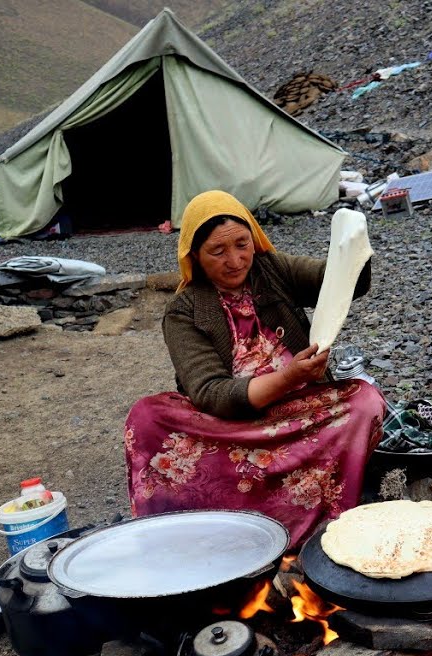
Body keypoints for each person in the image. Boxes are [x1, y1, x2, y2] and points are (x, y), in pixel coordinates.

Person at [124, 190, 386, 548]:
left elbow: (340, 281)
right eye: (218, 251)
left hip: (298, 411)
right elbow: (211, 393)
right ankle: (207, 529)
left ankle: (319, 522)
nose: (235, 260)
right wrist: (288, 376)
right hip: (231, 426)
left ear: (254, 239)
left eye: (242, 244)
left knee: (365, 401)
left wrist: (354, 248)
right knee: (146, 416)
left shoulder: (272, 269)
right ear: (195, 257)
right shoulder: (184, 311)